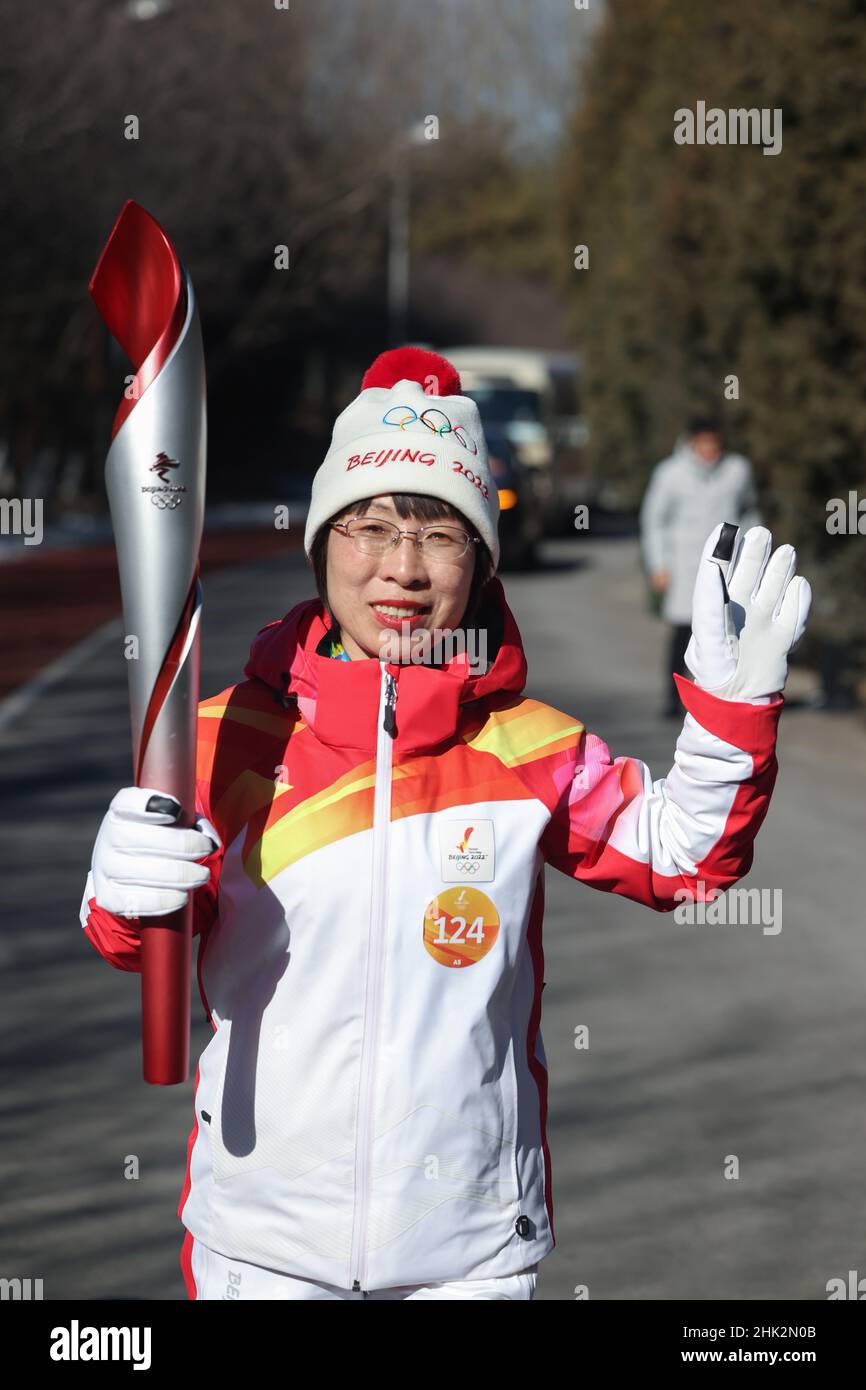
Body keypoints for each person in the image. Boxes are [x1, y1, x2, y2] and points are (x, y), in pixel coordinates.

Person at [79, 349, 811, 1301]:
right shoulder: (223, 740)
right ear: (323, 545)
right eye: (371, 527)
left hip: (468, 1256)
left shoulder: (527, 748)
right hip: (259, 1248)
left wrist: (726, 716)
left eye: (442, 535)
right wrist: (120, 894)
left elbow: (686, 858)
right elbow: (145, 947)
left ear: (480, 561)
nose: (404, 570)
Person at [640, 417, 763, 717]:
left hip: (728, 567)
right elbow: (654, 520)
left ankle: (722, 699)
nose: (711, 450)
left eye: (716, 443)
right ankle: (673, 698)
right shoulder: (670, 473)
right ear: (693, 441)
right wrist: (658, 565)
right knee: (683, 633)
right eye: (706, 443)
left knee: (727, 632)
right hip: (685, 567)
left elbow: (750, 512)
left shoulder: (737, 470)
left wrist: (755, 554)